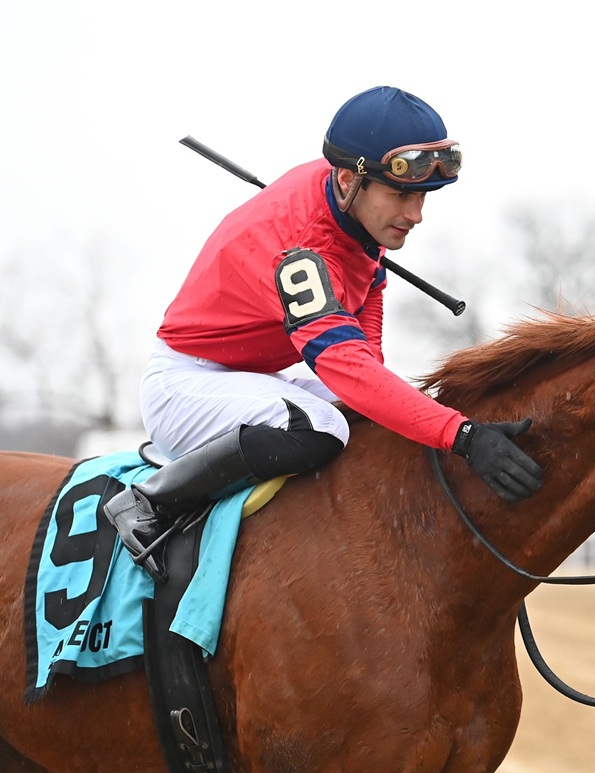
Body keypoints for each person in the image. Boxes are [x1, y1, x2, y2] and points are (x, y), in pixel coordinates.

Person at [103, 85, 543, 579]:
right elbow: (344, 367)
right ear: (347, 179)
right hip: (184, 387)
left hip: (243, 379)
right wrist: (461, 435)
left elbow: (367, 313)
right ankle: (149, 501)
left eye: (422, 198)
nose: (416, 216)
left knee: (374, 417)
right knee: (324, 426)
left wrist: (423, 413)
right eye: (401, 195)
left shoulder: (347, 197)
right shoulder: (301, 253)